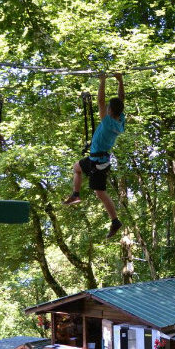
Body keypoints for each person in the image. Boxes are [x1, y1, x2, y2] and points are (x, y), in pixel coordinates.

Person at [63, 73, 126, 238]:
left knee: (100, 193)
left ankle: (115, 221)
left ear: (109, 110)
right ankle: (76, 195)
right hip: (95, 159)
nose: (104, 108)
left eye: (107, 108)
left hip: (99, 162)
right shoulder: (120, 121)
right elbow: (121, 101)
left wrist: (103, 80)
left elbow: (100, 101)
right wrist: (120, 81)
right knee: (76, 168)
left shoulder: (107, 121)